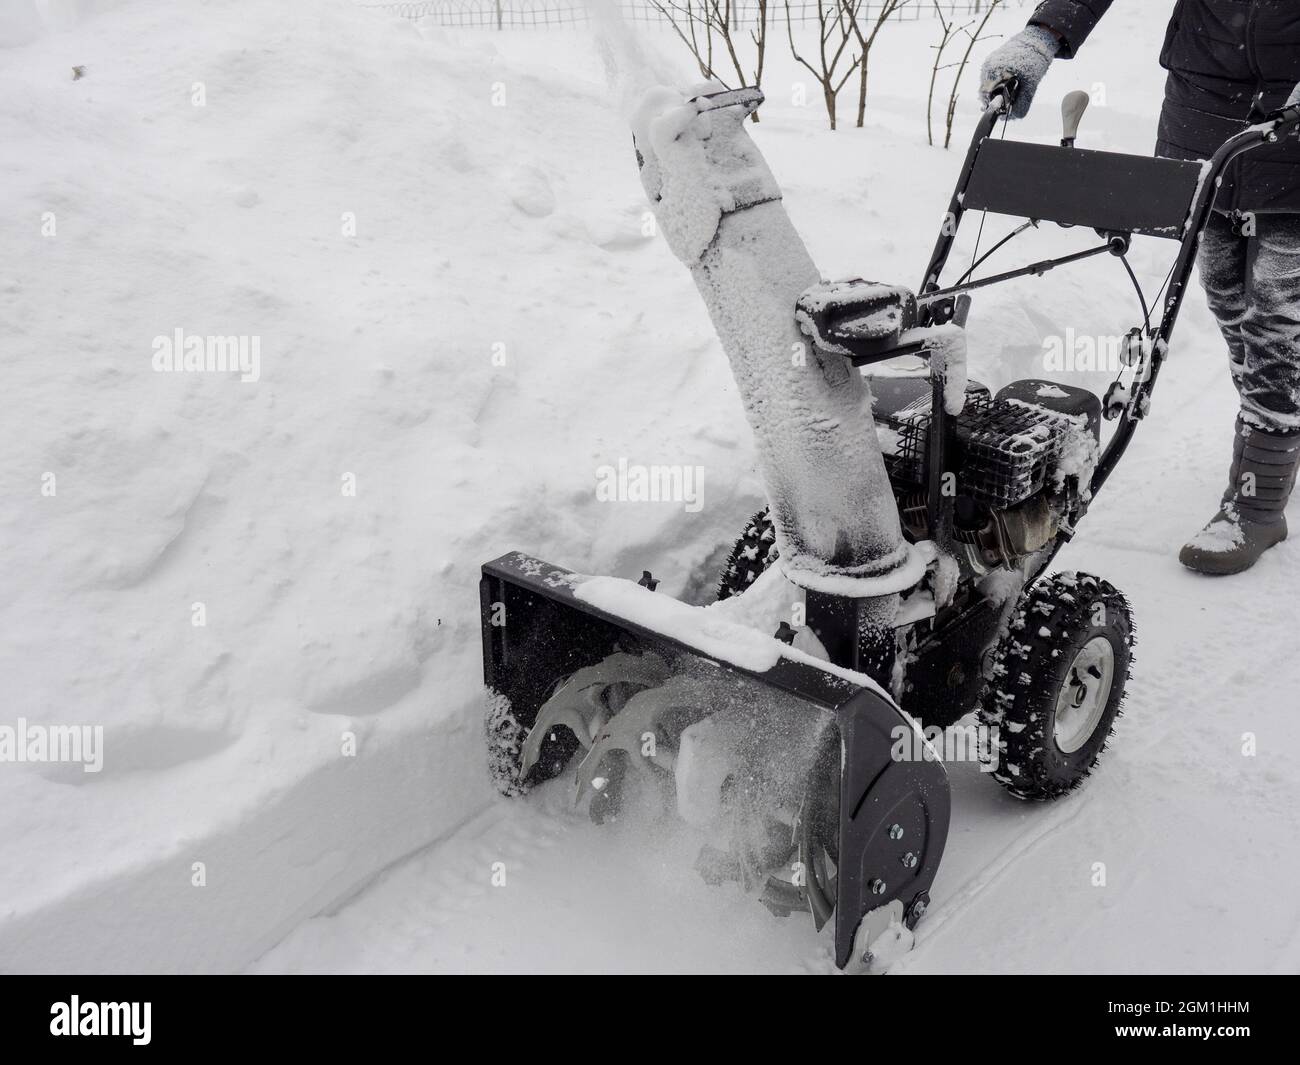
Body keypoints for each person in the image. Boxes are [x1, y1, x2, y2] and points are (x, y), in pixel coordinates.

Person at [979, 0, 1300, 575]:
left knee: (1277, 322)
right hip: (1202, 118)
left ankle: (1256, 502)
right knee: (1230, 304)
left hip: (1295, 124)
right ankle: (1280, 427)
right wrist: (1042, 35)